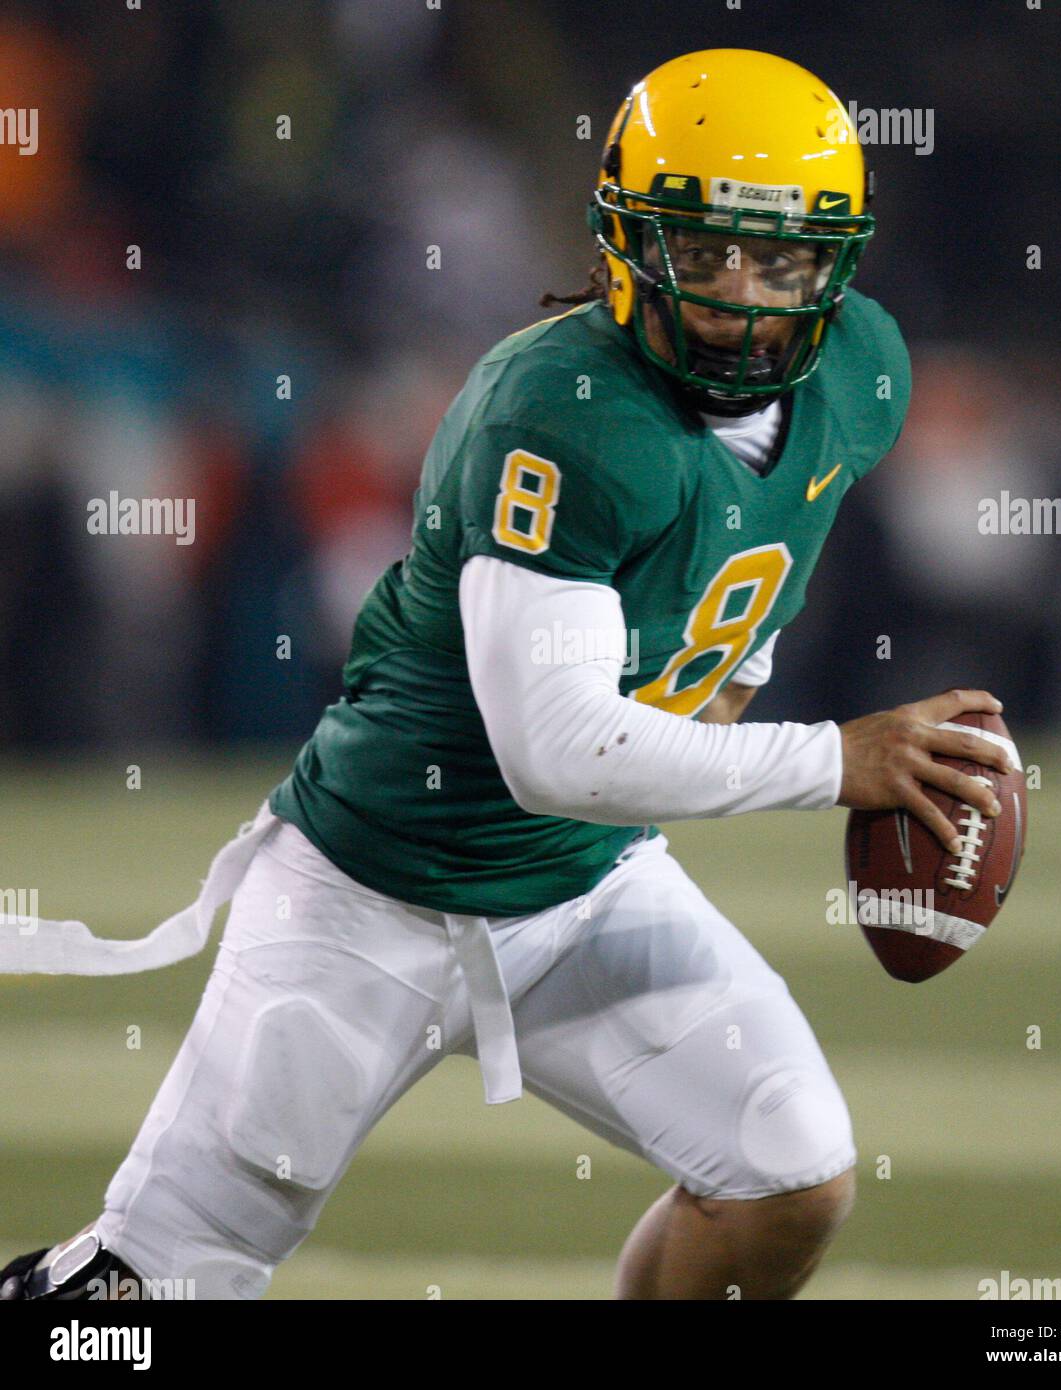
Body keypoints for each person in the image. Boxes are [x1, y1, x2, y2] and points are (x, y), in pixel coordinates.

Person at [0, 48, 1009, 1302]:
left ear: (835, 263)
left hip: (582, 893)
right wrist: (832, 760)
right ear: (624, 242)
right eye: (699, 253)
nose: (739, 298)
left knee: (784, 1174)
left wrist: (731, 700)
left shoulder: (858, 369)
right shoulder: (559, 404)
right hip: (373, 890)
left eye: (781, 259)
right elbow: (557, 753)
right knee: (151, 1295)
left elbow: (756, 571)